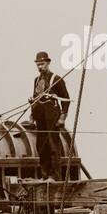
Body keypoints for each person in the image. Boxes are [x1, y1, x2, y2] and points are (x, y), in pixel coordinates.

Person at [29, 51, 71, 180]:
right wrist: (32, 115)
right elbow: (36, 99)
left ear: (48, 63)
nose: (40, 67)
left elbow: (66, 99)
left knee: (53, 145)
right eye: (38, 65)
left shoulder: (56, 79)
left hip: (52, 115)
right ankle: (45, 174)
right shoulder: (37, 80)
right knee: (41, 146)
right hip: (40, 115)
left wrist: (62, 117)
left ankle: (55, 176)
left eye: (42, 64)